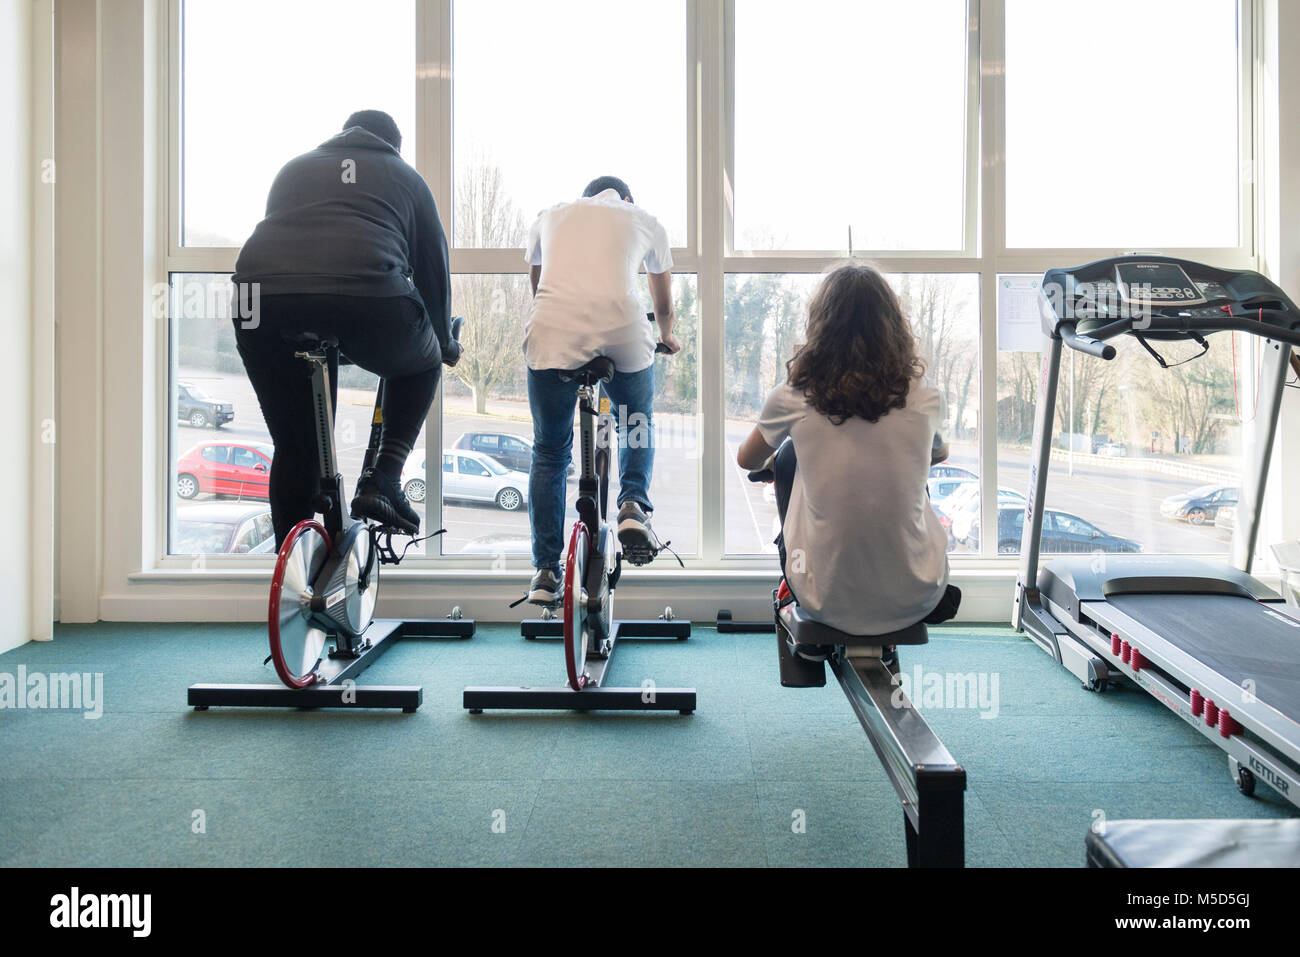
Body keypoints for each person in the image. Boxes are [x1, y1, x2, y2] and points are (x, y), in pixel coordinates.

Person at [231, 110, 460, 547]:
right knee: (423, 361)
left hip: (258, 302)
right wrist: (443, 342)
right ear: (394, 146)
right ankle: (384, 478)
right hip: (368, 294)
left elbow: (285, 254)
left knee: (294, 449)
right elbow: (434, 273)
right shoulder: (404, 176)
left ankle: (294, 578)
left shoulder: (293, 169)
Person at [736, 262, 960, 639]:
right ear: (892, 327)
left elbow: (747, 460)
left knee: (790, 455)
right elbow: (939, 454)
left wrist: (794, 451)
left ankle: (794, 583)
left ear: (820, 326)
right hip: (917, 592)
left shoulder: (793, 395)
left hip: (823, 596)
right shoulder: (925, 396)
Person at [522, 175, 681, 604]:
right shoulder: (643, 218)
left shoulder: (549, 216)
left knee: (550, 451)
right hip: (623, 333)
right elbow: (662, 302)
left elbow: (537, 287)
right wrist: (666, 334)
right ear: (626, 199)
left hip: (552, 336)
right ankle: (632, 505)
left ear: (586, 196)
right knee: (635, 422)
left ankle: (545, 572)